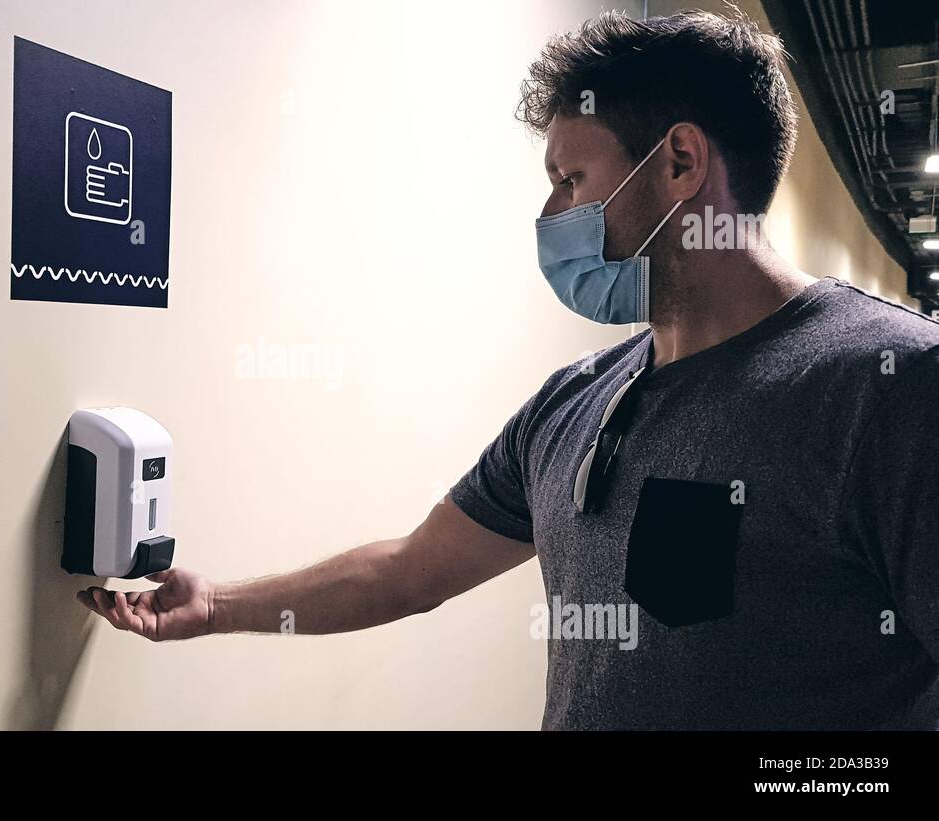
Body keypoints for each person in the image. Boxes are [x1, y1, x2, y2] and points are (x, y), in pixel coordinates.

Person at [77, 9, 939, 730]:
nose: (550, 212)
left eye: (570, 179)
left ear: (680, 162)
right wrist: (219, 605)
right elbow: (410, 569)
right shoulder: (577, 402)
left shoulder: (890, 388)